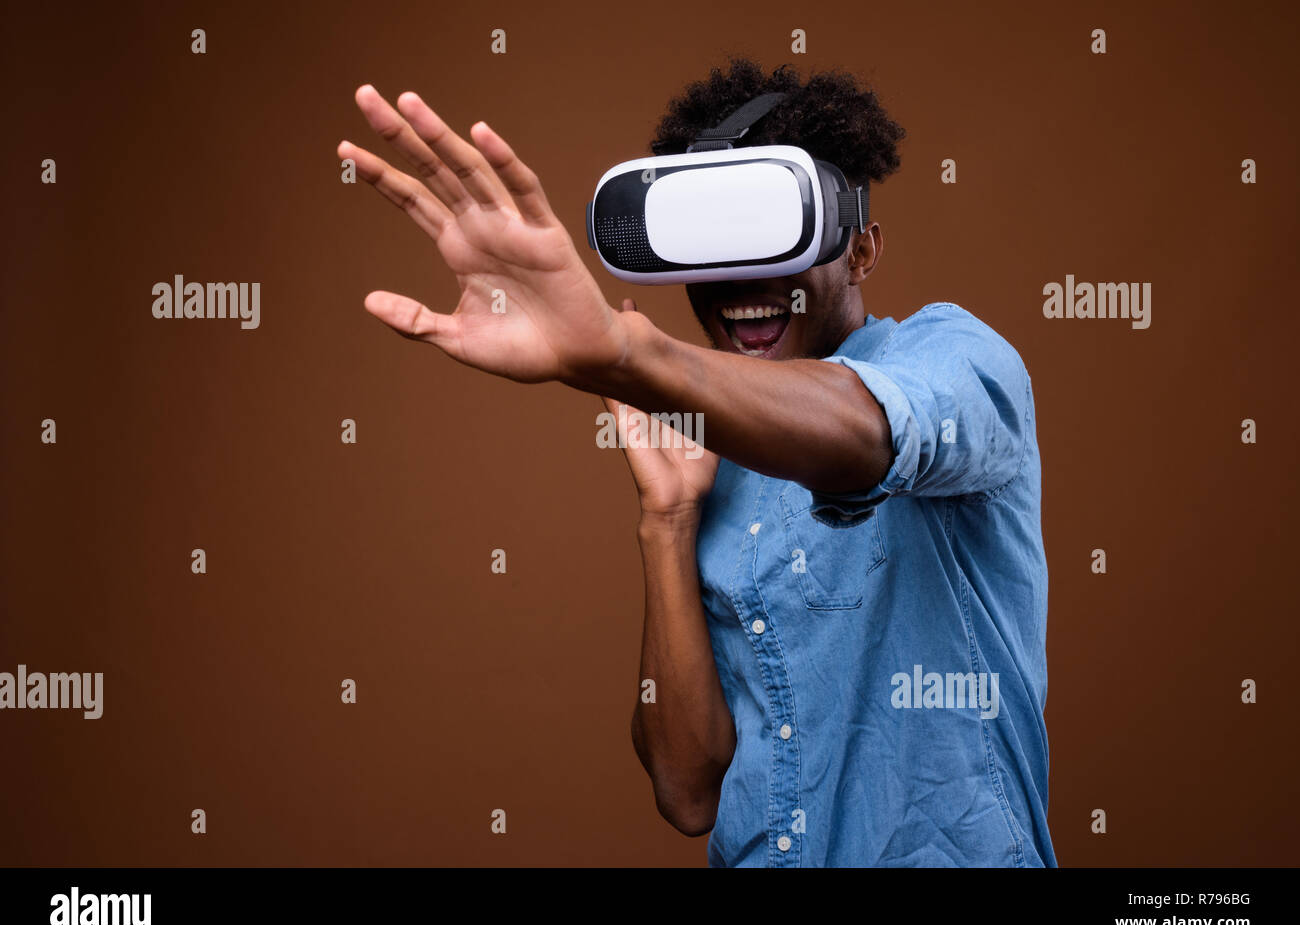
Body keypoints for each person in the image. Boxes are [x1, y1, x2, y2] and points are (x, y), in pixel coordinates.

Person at [337, 55, 1056, 867]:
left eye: (774, 239)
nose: (744, 283)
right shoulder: (703, 450)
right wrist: (669, 519)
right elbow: (687, 790)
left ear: (860, 250)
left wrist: (627, 354)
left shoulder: (958, 357)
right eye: (713, 249)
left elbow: (869, 436)